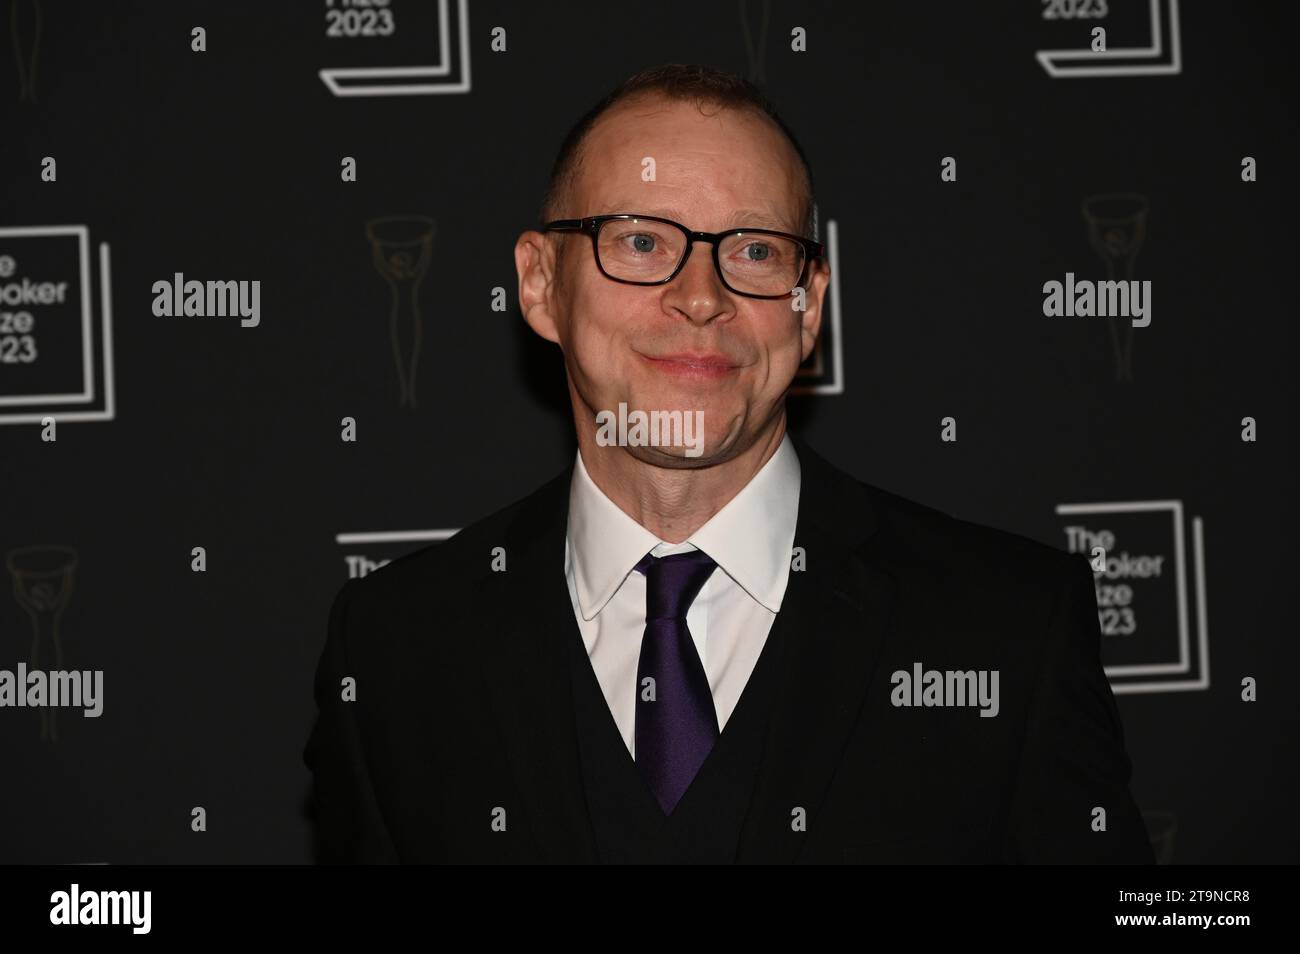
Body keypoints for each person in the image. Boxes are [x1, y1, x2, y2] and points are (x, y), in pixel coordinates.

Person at [303, 63, 1154, 864]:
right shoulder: (393, 652)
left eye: (753, 250)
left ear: (809, 305)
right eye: (638, 242)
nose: (701, 297)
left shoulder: (1007, 628)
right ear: (538, 284)